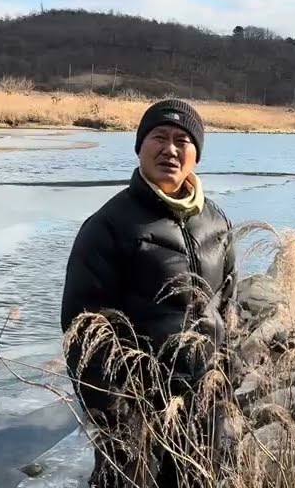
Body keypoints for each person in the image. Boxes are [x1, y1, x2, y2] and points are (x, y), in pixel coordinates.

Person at [60, 99, 237, 488]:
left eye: (182, 140)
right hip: (136, 409)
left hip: (203, 406)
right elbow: (83, 332)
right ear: (140, 146)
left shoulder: (217, 221)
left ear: (196, 155)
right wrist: (116, 417)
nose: (170, 149)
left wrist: (224, 383)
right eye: (158, 137)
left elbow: (227, 308)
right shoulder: (108, 226)